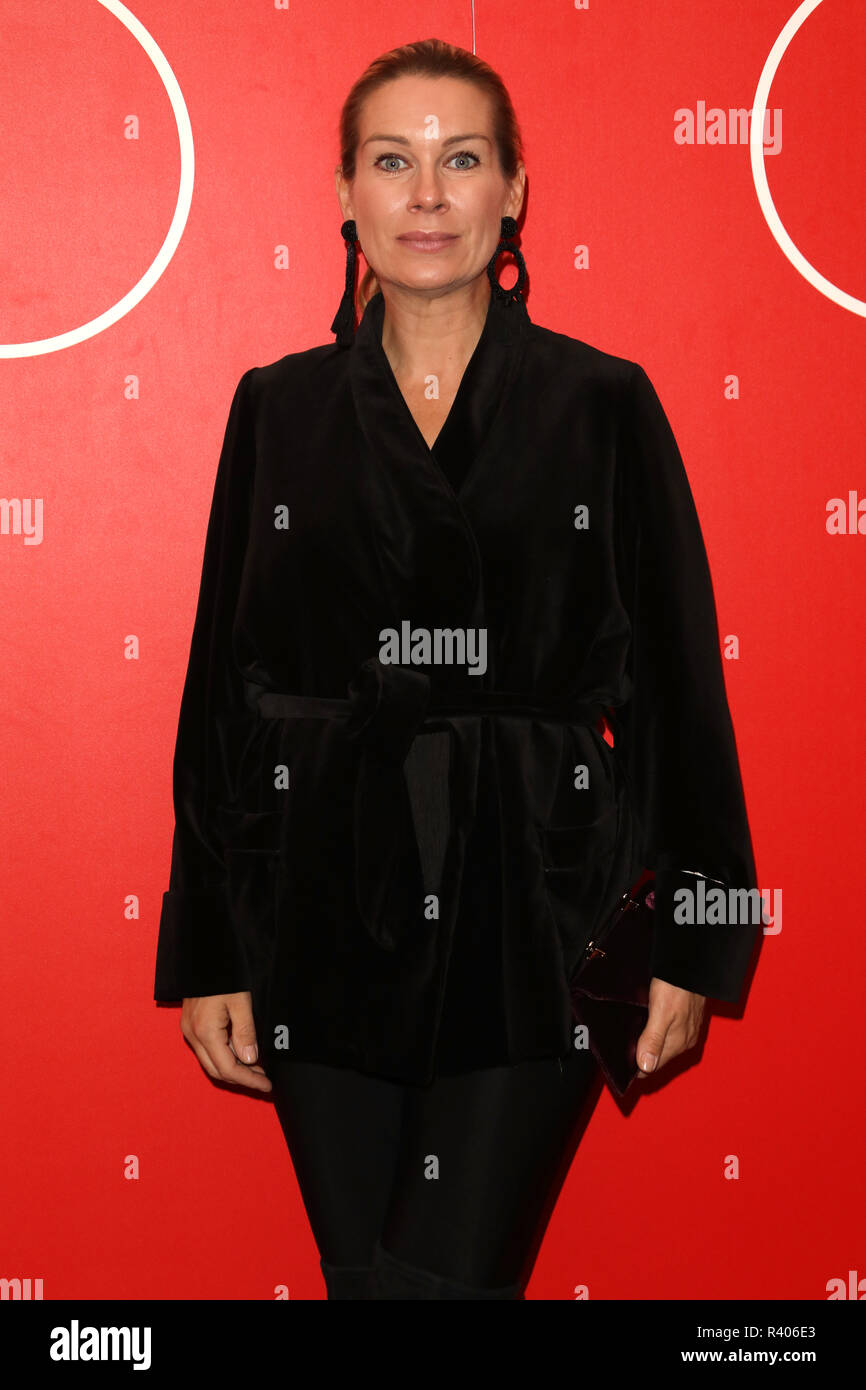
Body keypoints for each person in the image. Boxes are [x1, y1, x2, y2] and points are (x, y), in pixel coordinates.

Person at [153, 38, 761, 1299]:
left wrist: (692, 940)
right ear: (344, 196)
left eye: (461, 159)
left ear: (513, 191)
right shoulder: (277, 407)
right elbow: (221, 682)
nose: (426, 194)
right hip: (316, 883)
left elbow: (676, 690)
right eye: (392, 160)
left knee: (439, 1281)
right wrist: (205, 940)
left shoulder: (603, 403)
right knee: (363, 1276)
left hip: (537, 898)